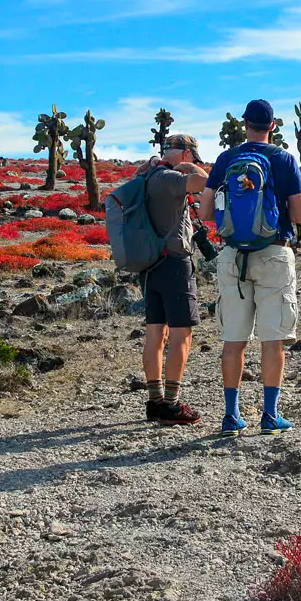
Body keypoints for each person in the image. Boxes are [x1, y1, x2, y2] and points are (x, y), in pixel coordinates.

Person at [199, 99, 301, 436]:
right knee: (272, 340)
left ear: (244, 124)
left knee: (233, 341)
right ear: (273, 126)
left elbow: (205, 212)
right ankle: (270, 415)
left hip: (232, 255)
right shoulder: (285, 159)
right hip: (274, 253)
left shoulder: (226, 159)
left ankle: (231, 416)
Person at [138, 133, 208, 426]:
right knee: (182, 333)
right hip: (175, 263)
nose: (194, 160)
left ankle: (154, 401)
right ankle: (172, 404)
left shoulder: (147, 173)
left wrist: (160, 161)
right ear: (185, 153)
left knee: (156, 332)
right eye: (192, 154)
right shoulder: (170, 178)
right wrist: (189, 169)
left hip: (150, 264)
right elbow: (206, 184)